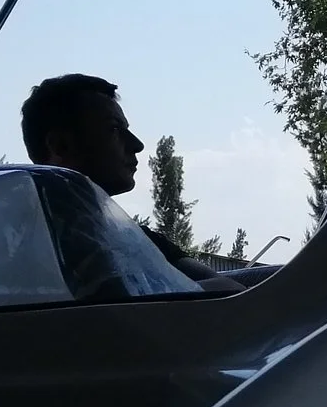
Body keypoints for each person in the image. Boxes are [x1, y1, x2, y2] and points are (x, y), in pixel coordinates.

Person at [19, 74, 236, 287]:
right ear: (60, 145)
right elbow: (228, 294)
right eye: (114, 129)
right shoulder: (31, 246)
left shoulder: (8, 242)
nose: (137, 144)